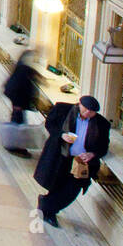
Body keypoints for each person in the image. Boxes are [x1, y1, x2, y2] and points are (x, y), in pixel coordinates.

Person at [34, 95, 111, 228]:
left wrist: (93, 154)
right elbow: (50, 124)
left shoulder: (102, 124)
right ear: (79, 105)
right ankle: (48, 211)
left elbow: (104, 146)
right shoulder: (63, 110)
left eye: (91, 112)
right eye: (86, 109)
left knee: (72, 190)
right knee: (56, 184)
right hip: (62, 156)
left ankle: (45, 203)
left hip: (81, 162)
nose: (88, 113)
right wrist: (61, 135)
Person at [2, 51, 39, 157]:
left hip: (19, 103)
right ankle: (13, 146)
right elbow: (17, 87)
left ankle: (14, 145)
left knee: (18, 123)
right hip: (18, 102)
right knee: (17, 124)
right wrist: (17, 104)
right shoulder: (23, 71)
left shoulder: (23, 68)